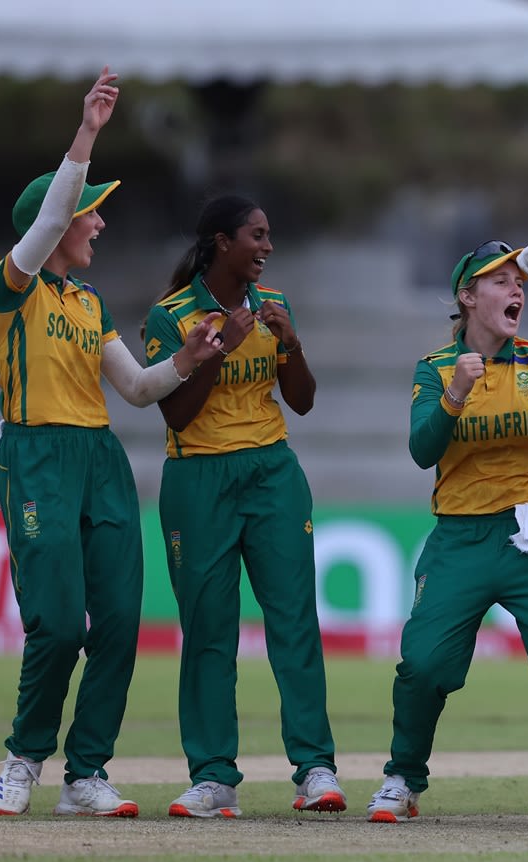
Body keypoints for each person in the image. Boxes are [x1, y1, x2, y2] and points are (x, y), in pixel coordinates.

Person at [0, 68, 223, 818]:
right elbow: (52, 218)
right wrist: (86, 133)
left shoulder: (87, 303)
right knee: (56, 623)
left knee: (120, 623)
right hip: (40, 459)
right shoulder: (10, 288)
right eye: (92, 215)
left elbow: (138, 388)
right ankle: (24, 758)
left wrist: (191, 358)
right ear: (57, 225)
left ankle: (85, 774)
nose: (100, 224)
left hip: (101, 461)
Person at [364, 233, 528, 824]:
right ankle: (403, 779)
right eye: (501, 281)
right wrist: (455, 393)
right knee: (423, 665)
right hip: (460, 537)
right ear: (467, 296)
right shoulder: (436, 369)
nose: (515, 291)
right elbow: (423, 452)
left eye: (518, 284)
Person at [145, 195, 344, 819]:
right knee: (208, 630)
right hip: (198, 478)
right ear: (221, 242)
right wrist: (222, 347)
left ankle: (315, 769)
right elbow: (176, 412)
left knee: (294, 624)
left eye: (269, 235)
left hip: (272, 474)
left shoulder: (274, 306)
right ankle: (213, 777)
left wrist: (293, 343)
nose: (267, 246)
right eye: (256, 236)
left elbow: (304, 402)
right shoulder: (171, 315)